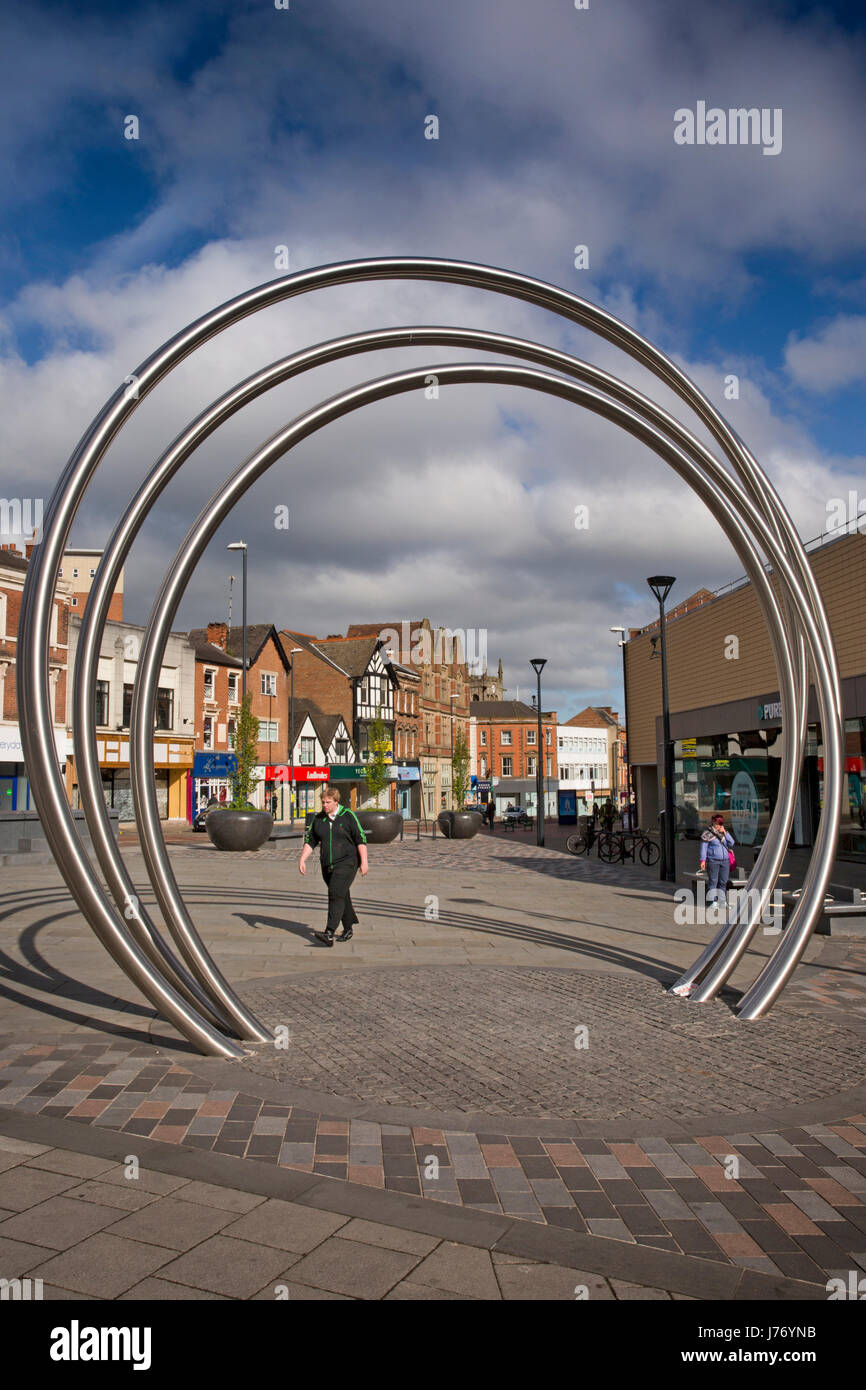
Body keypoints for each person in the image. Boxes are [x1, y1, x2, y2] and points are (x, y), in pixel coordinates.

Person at [299, 785, 368, 946]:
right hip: (327, 864)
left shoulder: (348, 816)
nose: (324, 805)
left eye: (328, 802)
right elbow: (311, 841)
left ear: (336, 802)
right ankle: (348, 927)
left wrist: (364, 862)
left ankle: (329, 932)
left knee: (335, 893)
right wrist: (302, 859)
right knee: (342, 894)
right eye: (322, 802)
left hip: (347, 862)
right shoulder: (319, 819)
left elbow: (360, 839)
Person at [700, 812, 735, 907]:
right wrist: (703, 860)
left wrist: (725, 833)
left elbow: (732, 843)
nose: (718, 826)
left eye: (720, 824)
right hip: (713, 860)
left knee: (723, 881)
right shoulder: (707, 833)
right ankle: (713, 901)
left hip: (725, 861)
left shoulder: (724, 833)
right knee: (713, 881)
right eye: (717, 823)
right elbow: (704, 848)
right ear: (713, 822)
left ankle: (722, 901)